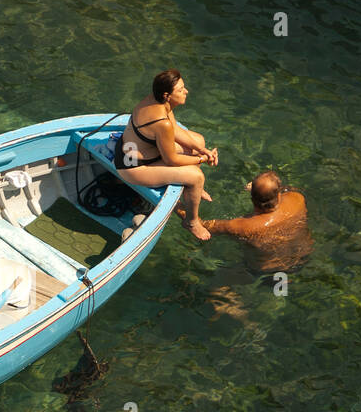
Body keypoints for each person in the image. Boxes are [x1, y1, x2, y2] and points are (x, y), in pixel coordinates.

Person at [114, 69, 219, 240]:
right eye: (181, 90)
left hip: (133, 149)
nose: (186, 92)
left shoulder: (157, 101)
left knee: (199, 141)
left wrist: (202, 150)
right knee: (196, 176)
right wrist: (202, 159)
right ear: (167, 95)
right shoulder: (161, 123)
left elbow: (175, 128)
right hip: (132, 165)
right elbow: (172, 159)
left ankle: (190, 191)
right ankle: (190, 222)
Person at [201, 171, 313, 272]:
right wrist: (268, 190)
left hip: (269, 268)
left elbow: (202, 226)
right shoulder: (297, 198)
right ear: (278, 195)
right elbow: (287, 190)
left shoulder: (243, 226)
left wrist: (183, 210)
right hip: (302, 256)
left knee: (217, 285)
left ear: (252, 200)